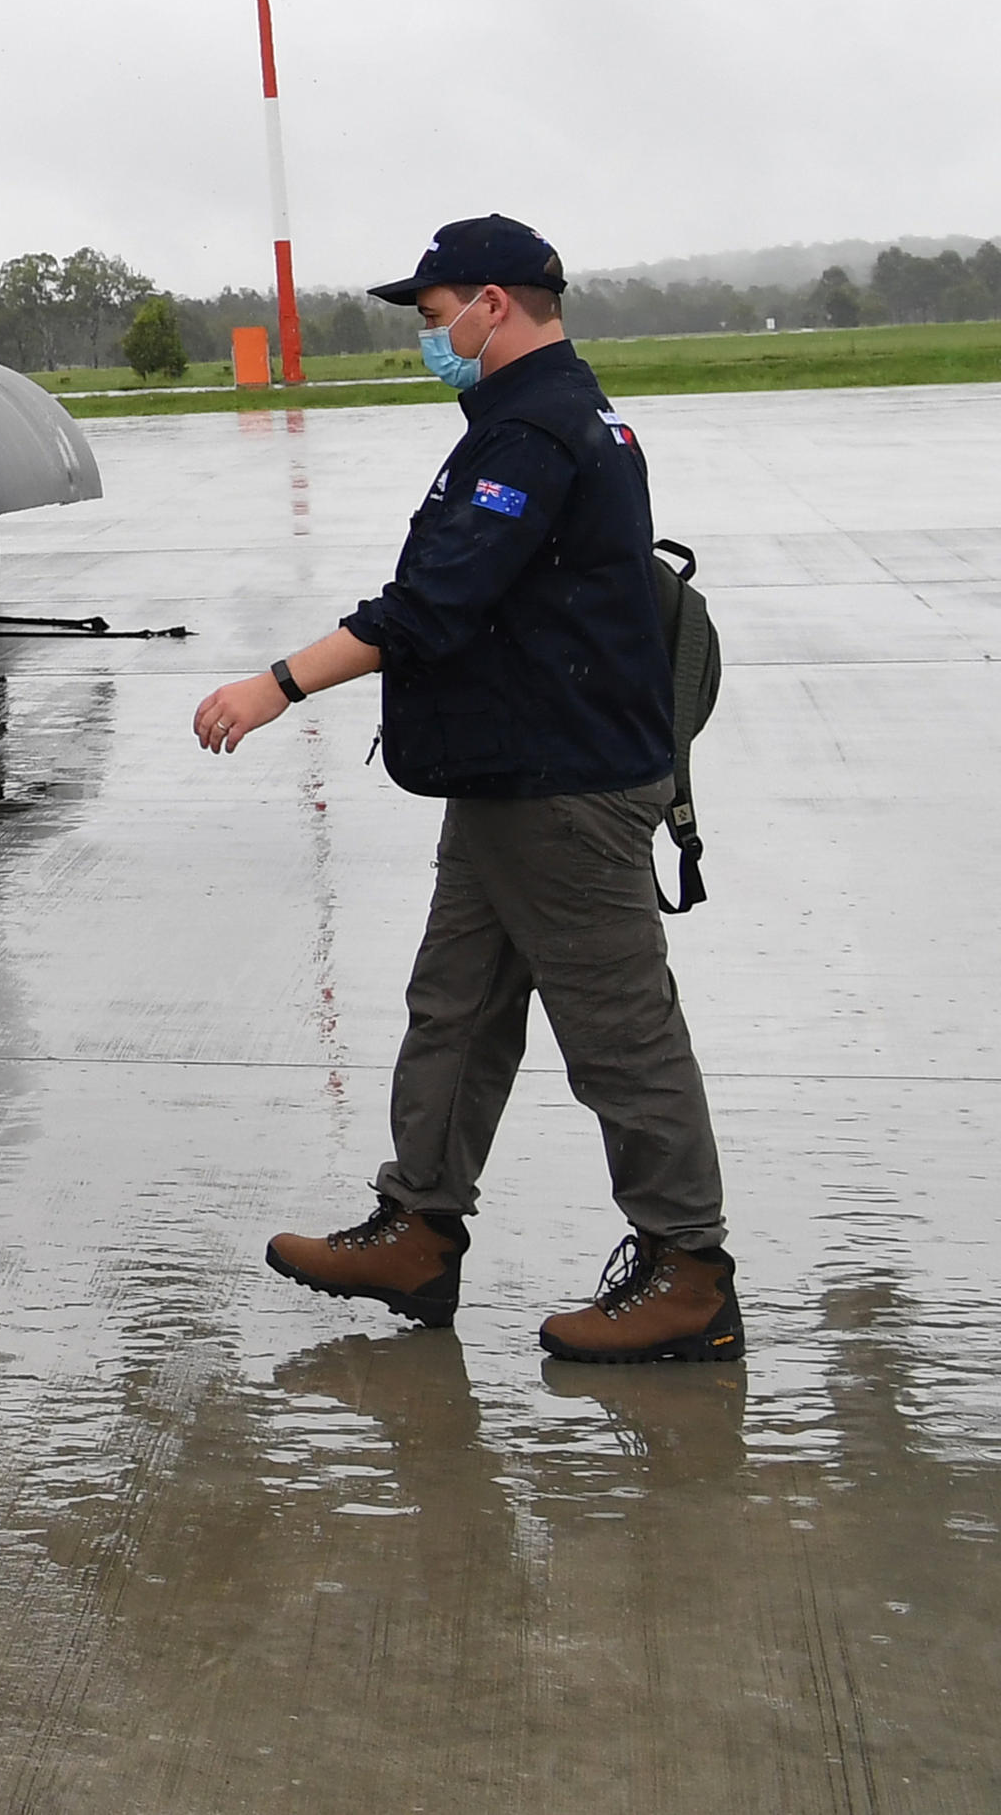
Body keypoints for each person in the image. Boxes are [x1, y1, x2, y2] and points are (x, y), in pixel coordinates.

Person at [193, 215, 736, 1365]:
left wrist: (277, 683)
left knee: (618, 1033)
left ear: (495, 302)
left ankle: (687, 1270)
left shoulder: (533, 434)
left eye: (436, 317)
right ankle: (416, 1229)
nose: (429, 338)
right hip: (508, 776)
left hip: (562, 786)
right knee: (455, 1006)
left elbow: (434, 603)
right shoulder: (540, 419)